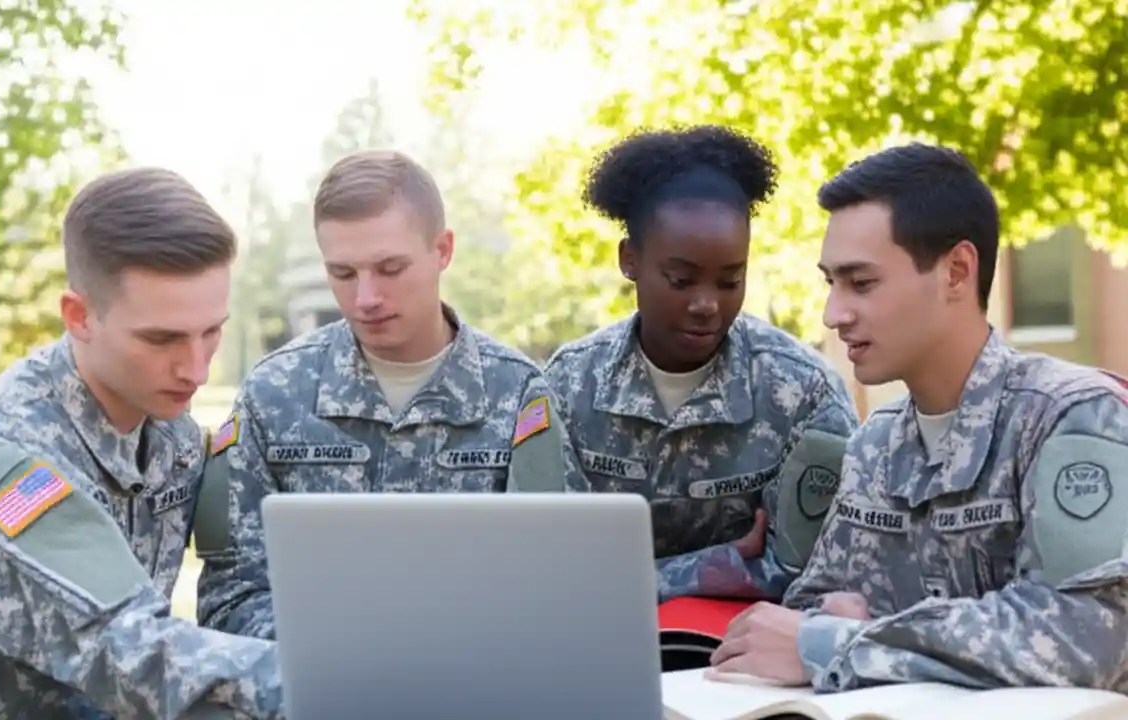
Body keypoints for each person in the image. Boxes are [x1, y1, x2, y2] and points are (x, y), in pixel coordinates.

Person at [711, 143, 1128, 693]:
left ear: (956, 271)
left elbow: (1085, 638)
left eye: (861, 283)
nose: (833, 314)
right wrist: (837, 629)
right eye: (830, 283)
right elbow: (815, 604)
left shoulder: (1073, 419)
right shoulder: (875, 445)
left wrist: (845, 644)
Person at [0, 167, 286, 719]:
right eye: (162, 337)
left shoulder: (175, 439)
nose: (196, 367)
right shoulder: (5, 449)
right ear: (79, 316)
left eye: (211, 331)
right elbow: (118, 644)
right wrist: (318, 682)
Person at [194, 149, 589, 641]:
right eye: (342, 274)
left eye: (390, 268)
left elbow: (555, 579)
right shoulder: (273, 394)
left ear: (443, 250)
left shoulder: (520, 395)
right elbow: (229, 598)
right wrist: (342, 647)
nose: (366, 298)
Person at [543, 125, 859, 605]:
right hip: (595, 651)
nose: (707, 304)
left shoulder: (804, 392)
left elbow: (807, 569)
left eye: (731, 280)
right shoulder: (567, 386)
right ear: (630, 260)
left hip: (745, 661)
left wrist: (630, 580)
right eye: (681, 279)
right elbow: (550, 565)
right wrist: (717, 566)